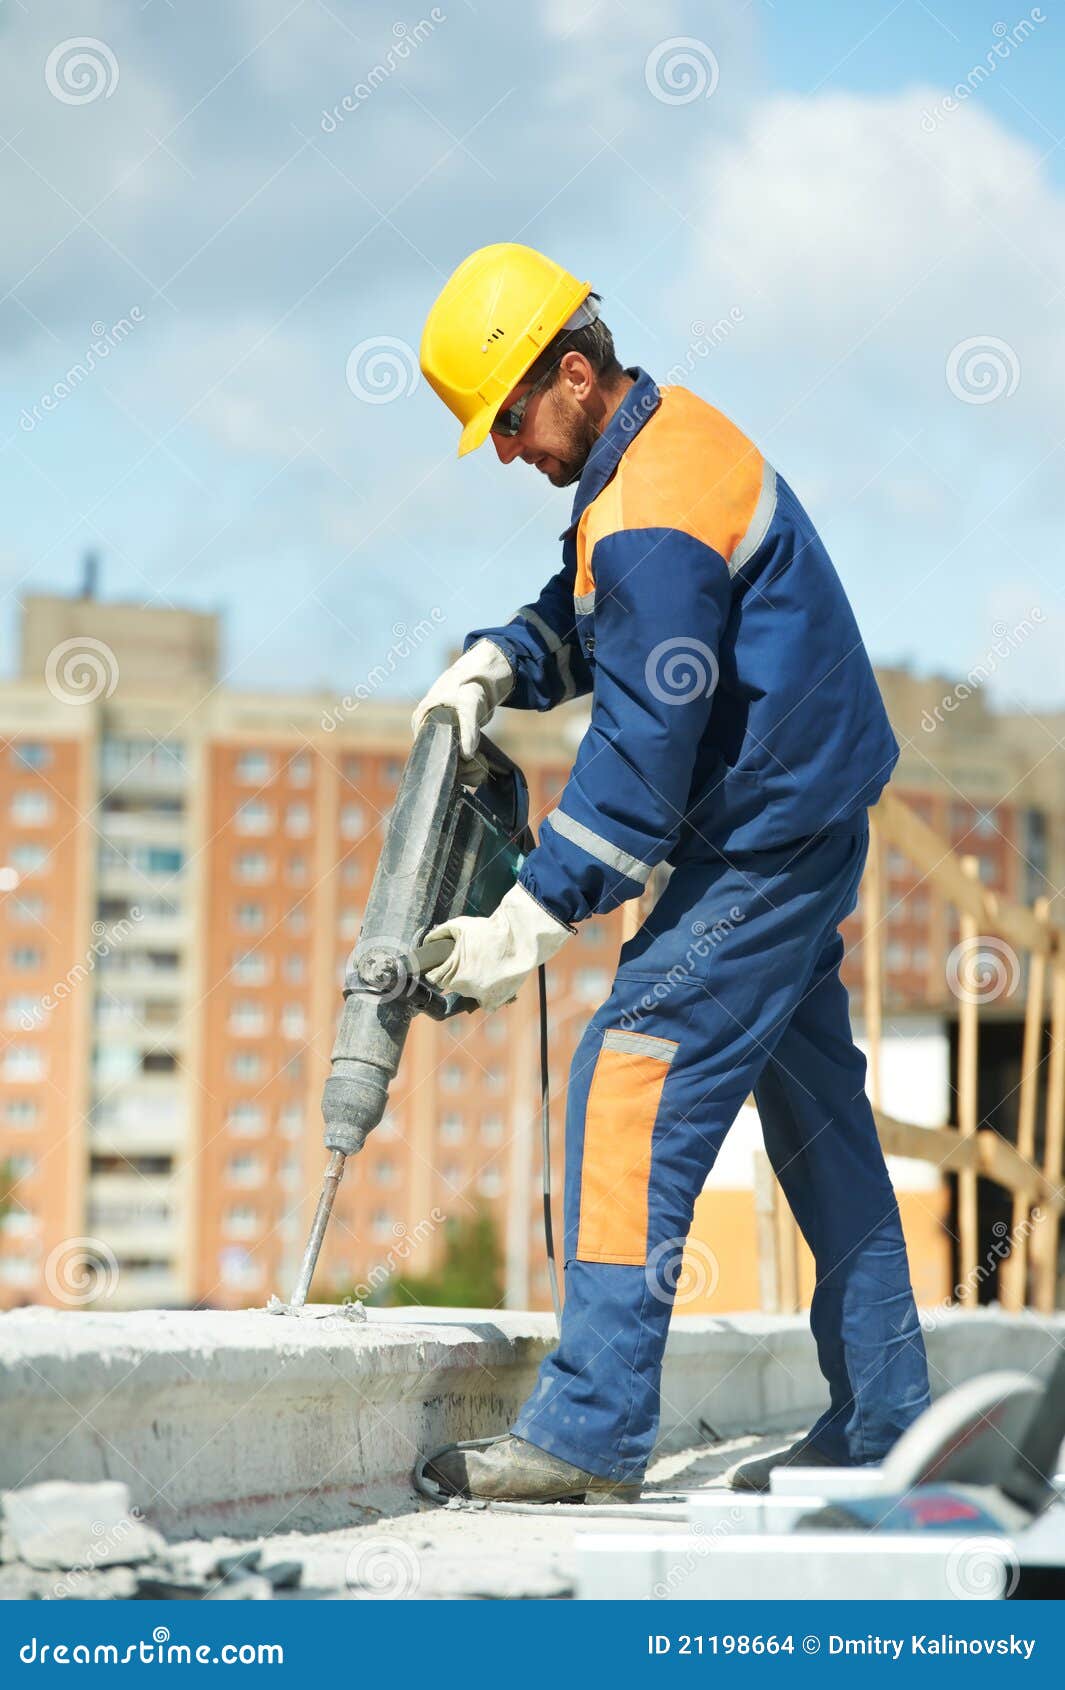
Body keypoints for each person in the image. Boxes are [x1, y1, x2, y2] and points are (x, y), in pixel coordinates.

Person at [409, 242, 930, 1502]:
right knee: (817, 1113)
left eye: (512, 417)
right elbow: (611, 621)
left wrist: (523, 922)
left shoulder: (647, 499)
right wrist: (501, 659)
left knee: (629, 1077)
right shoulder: (650, 456)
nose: (506, 449)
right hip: (792, 818)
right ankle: (886, 1416)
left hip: (758, 835)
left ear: (575, 376)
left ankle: (586, 1432)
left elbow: (644, 750)